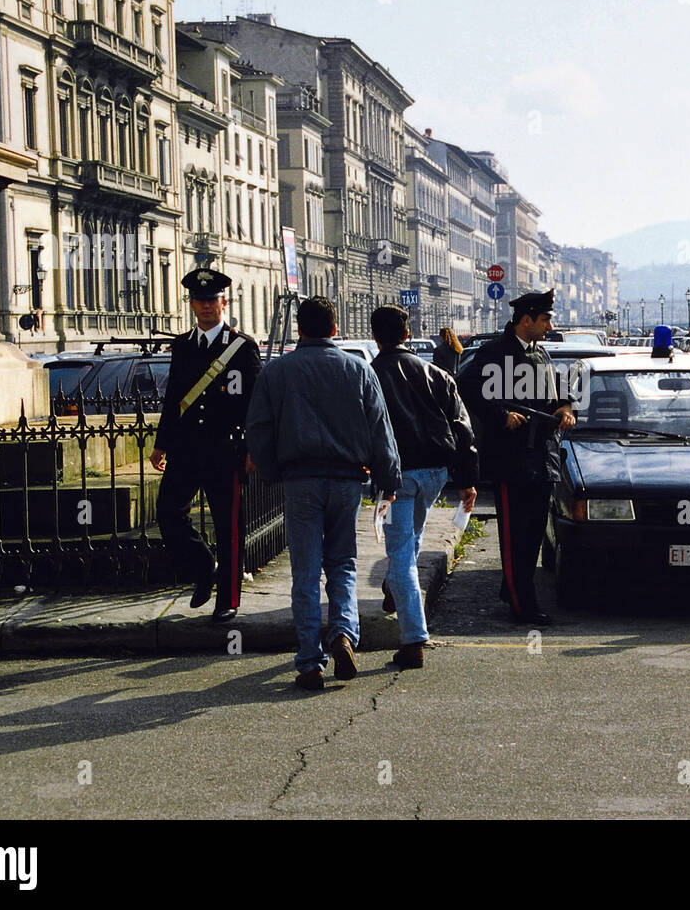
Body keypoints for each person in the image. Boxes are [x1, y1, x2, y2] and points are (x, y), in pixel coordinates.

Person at [245, 296, 401, 691]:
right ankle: (344, 636)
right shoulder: (359, 370)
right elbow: (381, 430)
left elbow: (258, 430)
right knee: (342, 563)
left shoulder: (278, 371)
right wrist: (389, 480)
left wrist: (270, 469)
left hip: (301, 480)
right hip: (346, 480)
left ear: (299, 329)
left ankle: (310, 662)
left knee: (305, 571)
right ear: (335, 329)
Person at [369, 305, 478, 669]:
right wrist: (467, 479)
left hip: (397, 472)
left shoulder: (370, 375)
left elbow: (363, 427)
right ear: (406, 334)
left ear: (375, 337)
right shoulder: (436, 373)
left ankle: (413, 638)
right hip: (435, 469)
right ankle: (393, 586)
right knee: (411, 536)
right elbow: (462, 428)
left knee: (400, 549)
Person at [459, 289, 576, 624]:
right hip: (511, 458)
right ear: (527, 319)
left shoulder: (540, 354)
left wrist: (566, 409)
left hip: (542, 457)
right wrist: (500, 415)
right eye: (545, 318)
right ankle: (523, 606)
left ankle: (514, 589)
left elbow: (557, 393)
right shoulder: (495, 353)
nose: (550, 324)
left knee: (534, 533)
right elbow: (465, 388)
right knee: (514, 536)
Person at [151, 268, 261, 623]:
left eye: (212, 300)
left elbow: (254, 404)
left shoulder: (242, 347)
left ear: (224, 302)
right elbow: (174, 398)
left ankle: (227, 599)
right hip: (185, 448)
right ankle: (204, 567)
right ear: (192, 304)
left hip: (224, 448)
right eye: (199, 301)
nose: (206, 307)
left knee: (228, 526)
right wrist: (161, 443)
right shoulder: (183, 346)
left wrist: (250, 449)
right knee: (168, 512)